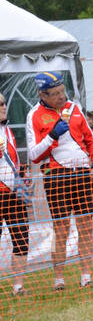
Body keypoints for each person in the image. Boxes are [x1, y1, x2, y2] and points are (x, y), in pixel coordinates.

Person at [26, 71, 93, 290]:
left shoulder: (74, 108)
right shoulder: (34, 115)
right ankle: (59, 278)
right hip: (57, 177)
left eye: (62, 91)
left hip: (82, 173)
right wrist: (52, 135)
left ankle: (86, 276)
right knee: (61, 228)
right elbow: (34, 155)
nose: (61, 96)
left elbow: (91, 139)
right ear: (43, 95)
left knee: (86, 225)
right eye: (55, 93)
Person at [0, 92, 31, 295]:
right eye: (0, 104)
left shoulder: (7, 129)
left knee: (21, 239)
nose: (4, 107)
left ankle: (18, 287)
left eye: (4, 103)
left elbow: (12, 159)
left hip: (14, 194)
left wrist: (22, 174)